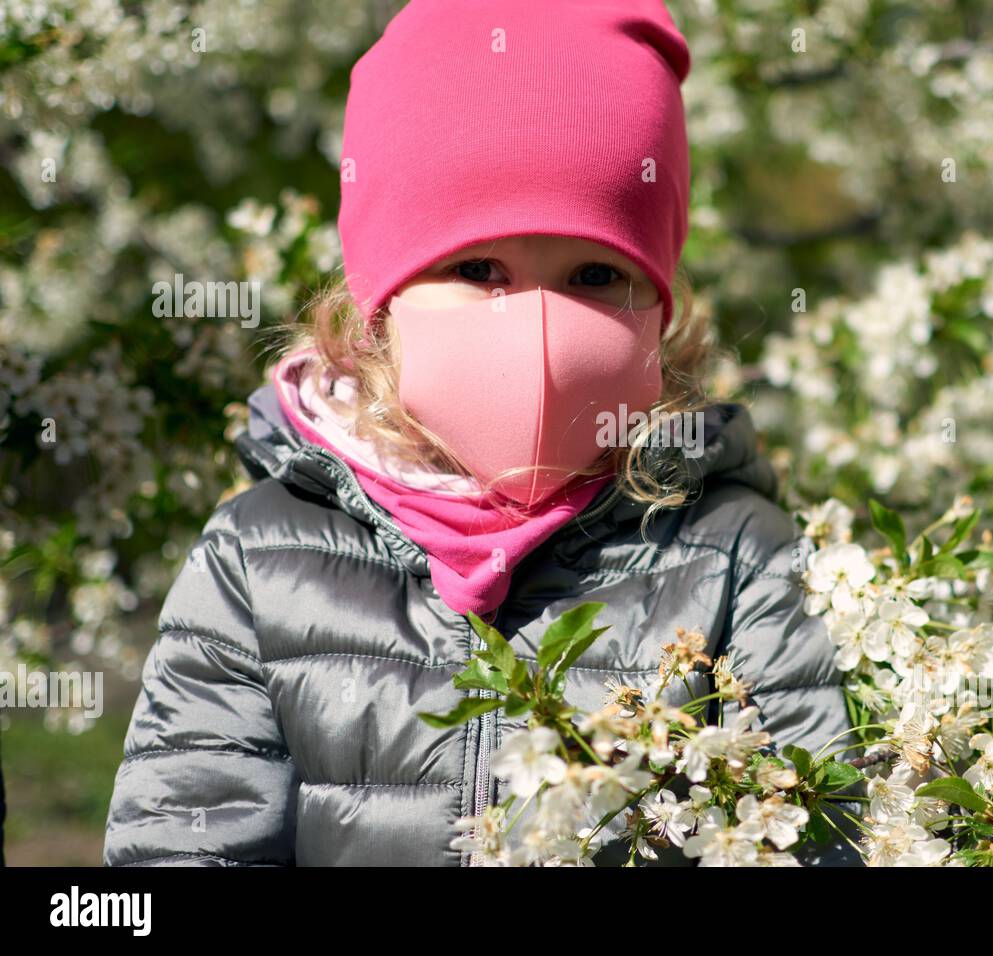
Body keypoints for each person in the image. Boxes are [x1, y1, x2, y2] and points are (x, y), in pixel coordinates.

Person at [104, 0, 857, 866]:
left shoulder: (731, 556)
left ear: (659, 311)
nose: (538, 323)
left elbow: (809, 833)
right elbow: (181, 849)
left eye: (596, 274)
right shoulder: (260, 559)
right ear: (380, 306)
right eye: (477, 269)